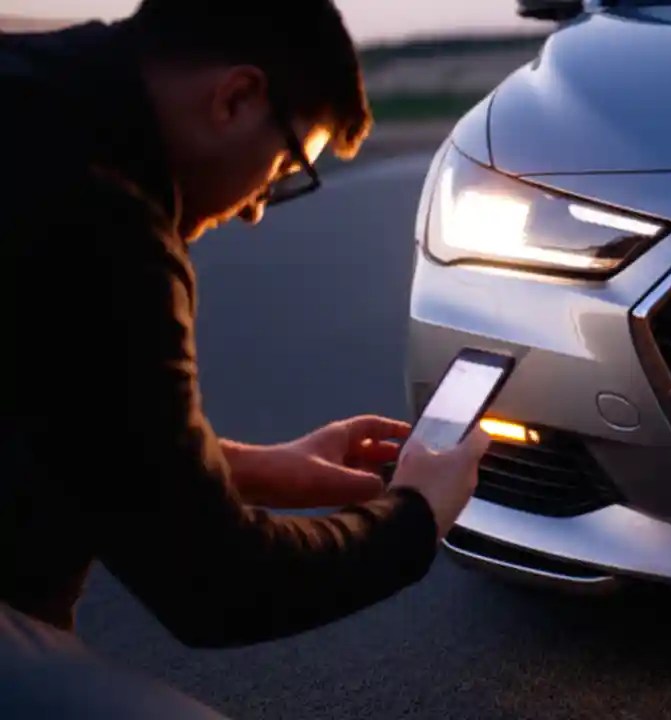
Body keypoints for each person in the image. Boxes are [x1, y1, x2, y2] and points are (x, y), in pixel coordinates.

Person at [0, 0, 490, 653]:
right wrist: (416, 518)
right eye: (283, 171)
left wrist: (252, 469)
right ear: (236, 99)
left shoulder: (32, 96)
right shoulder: (108, 229)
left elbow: (74, 425)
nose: (256, 210)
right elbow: (218, 584)